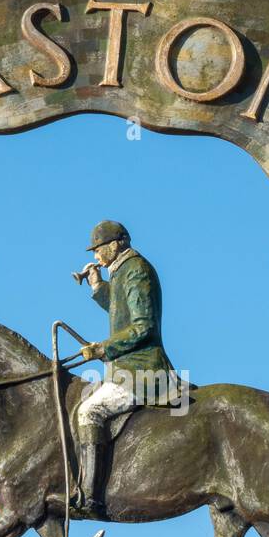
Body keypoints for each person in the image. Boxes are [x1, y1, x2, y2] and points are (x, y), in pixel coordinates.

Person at [71, 220, 176, 517]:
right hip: (125, 368)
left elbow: (143, 326)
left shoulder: (137, 271)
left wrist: (102, 348)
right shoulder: (122, 273)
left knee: (89, 411)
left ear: (117, 244)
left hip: (142, 370)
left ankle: (91, 496)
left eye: (99, 249)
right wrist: (97, 285)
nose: (95, 257)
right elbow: (121, 309)